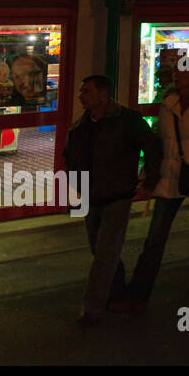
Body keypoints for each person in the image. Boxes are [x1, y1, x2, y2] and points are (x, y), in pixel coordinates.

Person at [114, 58, 189, 310]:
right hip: (170, 177)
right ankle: (138, 295)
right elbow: (161, 142)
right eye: (176, 71)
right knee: (155, 238)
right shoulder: (169, 103)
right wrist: (150, 173)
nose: (177, 75)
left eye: (183, 72)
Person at [63, 75, 154, 325]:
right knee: (101, 250)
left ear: (103, 95)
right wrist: (75, 188)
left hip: (118, 195)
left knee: (105, 252)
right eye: (81, 90)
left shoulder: (126, 121)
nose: (81, 95)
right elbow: (71, 156)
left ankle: (93, 307)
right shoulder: (82, 125)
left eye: (87, 91)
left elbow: (152, 146)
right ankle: (119, 294)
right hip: (92, 196)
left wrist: (147, 180)